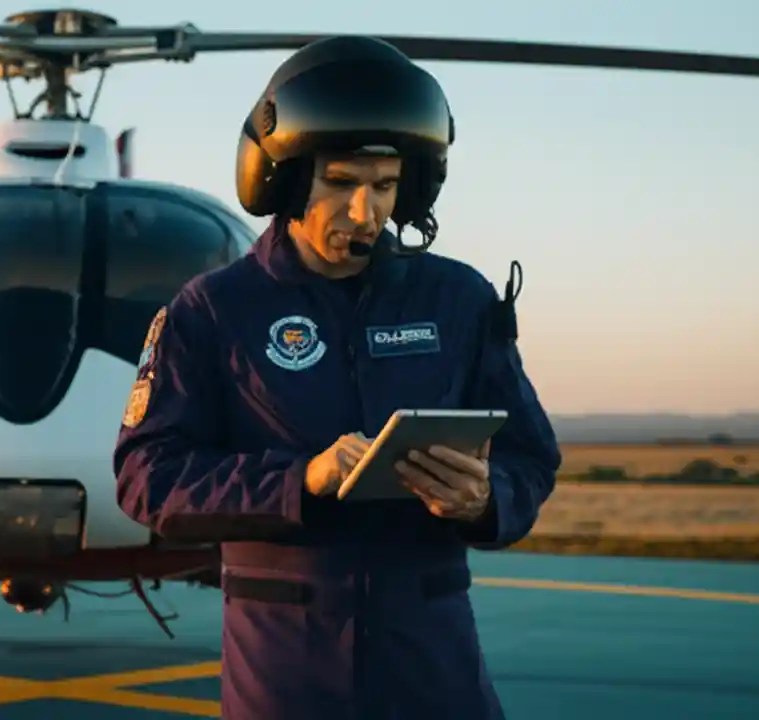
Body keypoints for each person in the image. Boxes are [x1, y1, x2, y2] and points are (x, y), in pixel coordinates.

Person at [113, 35, 561, 720]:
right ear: (288, 180)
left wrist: (486, 497)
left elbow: (531, 459)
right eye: (342, 183)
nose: (365, 213)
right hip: (287, 674)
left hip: (434, 671)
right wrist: (299, 481)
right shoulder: (213, 311)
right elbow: (147, 477)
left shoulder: (460, 301)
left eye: (384, 187)